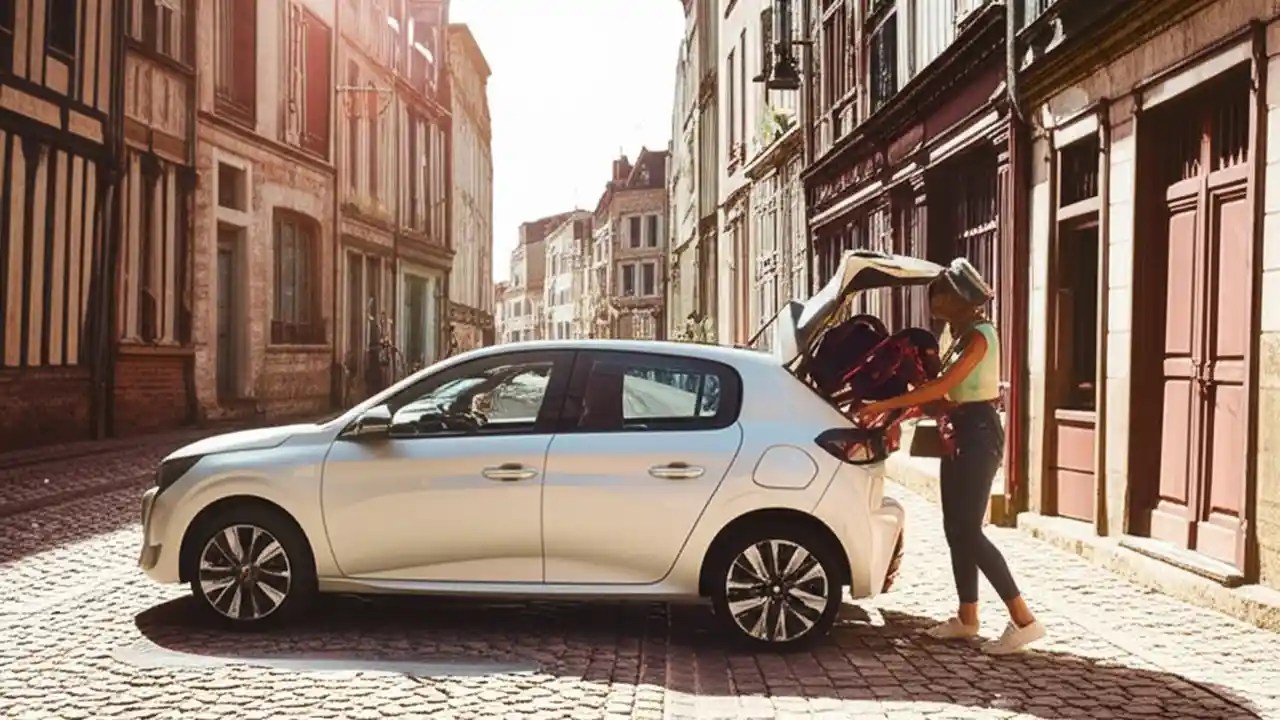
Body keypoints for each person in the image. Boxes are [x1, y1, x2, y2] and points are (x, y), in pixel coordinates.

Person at [856, 258, 1045, 655]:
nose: (934, 304)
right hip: (958, 428)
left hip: (977, 432)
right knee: (953, 527)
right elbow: (942, 398)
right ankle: (967, 616)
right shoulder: (958, 335)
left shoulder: (980, 336)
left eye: (939, 297)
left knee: (969, 530)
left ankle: (1023, 619)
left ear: (960, 299)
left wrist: (886, 404)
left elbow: (943, 386)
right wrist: (902, 409)